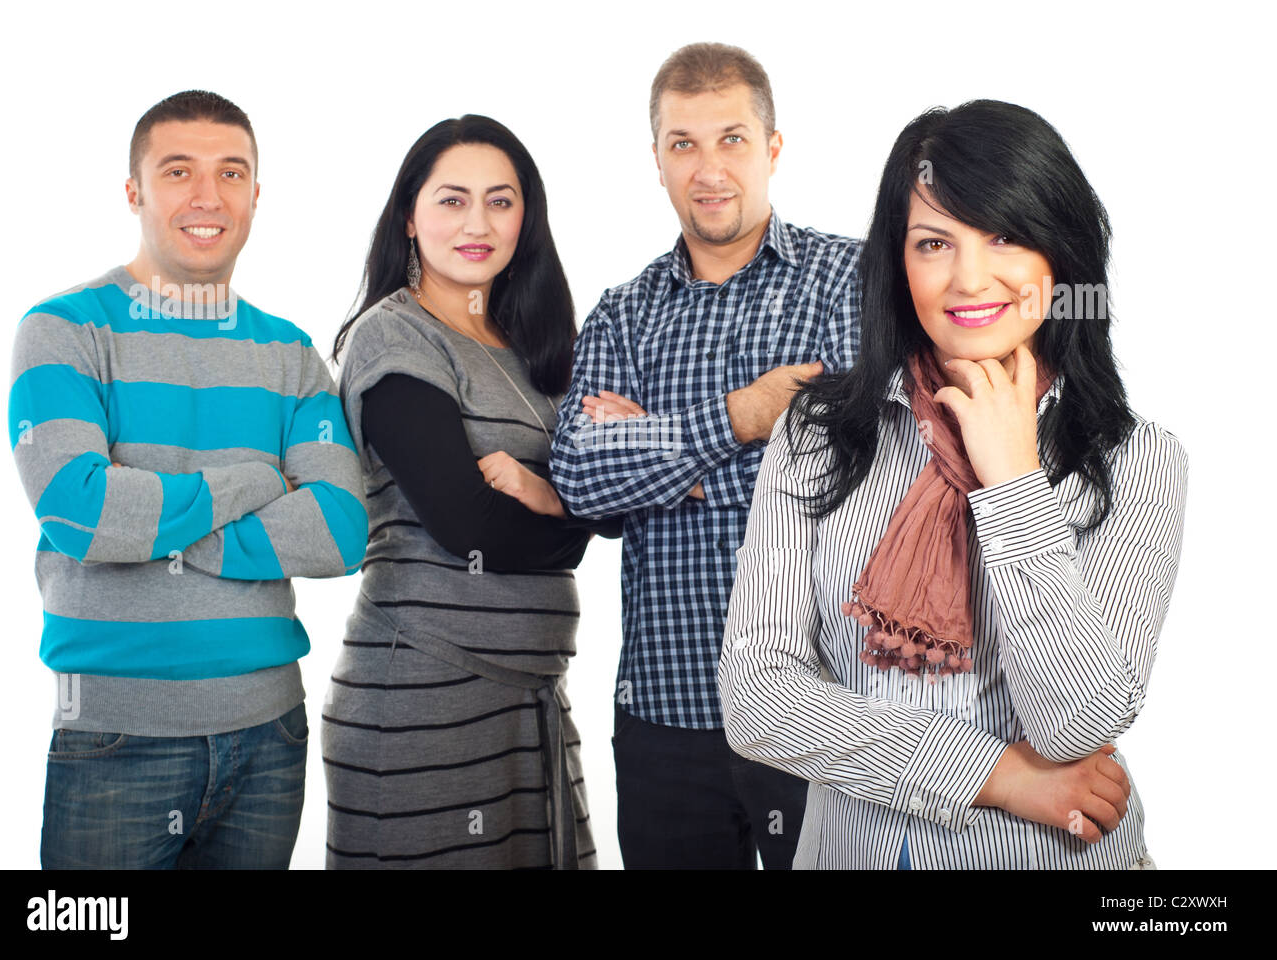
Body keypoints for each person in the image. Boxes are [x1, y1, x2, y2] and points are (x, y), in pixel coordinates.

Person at [718, 99, 1187, 869]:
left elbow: (1078, 720)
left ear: (1060, 258)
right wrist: (996, 775)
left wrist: (1011, 483)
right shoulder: (818, 432)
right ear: (899, 267)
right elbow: (758, 698)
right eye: (934, 242)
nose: (970, 277)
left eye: (1004, 236)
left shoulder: (1138, 459)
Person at [9, 90, 368, 869]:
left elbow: (341, 531)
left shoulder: (293, 353)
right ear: (134, 191)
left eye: (231, 173)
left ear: (256, 195)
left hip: (271, 737)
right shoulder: (64, 331)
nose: (208, 197)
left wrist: (157, 518)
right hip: (114, 742)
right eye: (179, 171)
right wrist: (252, 481)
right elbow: (82, 514)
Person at [548, 42, 862, 869]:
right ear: (656, 160)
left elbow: (856, 469)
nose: (708, 168)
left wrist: (655, 453)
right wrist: (746, 417)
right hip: (666, 714)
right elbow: (580, 480)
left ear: (773, 149)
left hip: (819, 704)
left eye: (731, 139)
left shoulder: (846, 280)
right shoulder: (621, 314)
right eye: (683, 143)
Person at [326, 115, 618, 870]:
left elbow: (613, 499)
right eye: (453, 201)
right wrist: (571, 511)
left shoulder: (534, 348)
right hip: (425, 697)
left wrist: (555, 499)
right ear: (409, 219)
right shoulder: (395, 336)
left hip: (531, 701)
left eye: (501, 200)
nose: (479, 224)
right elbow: (469, 523)